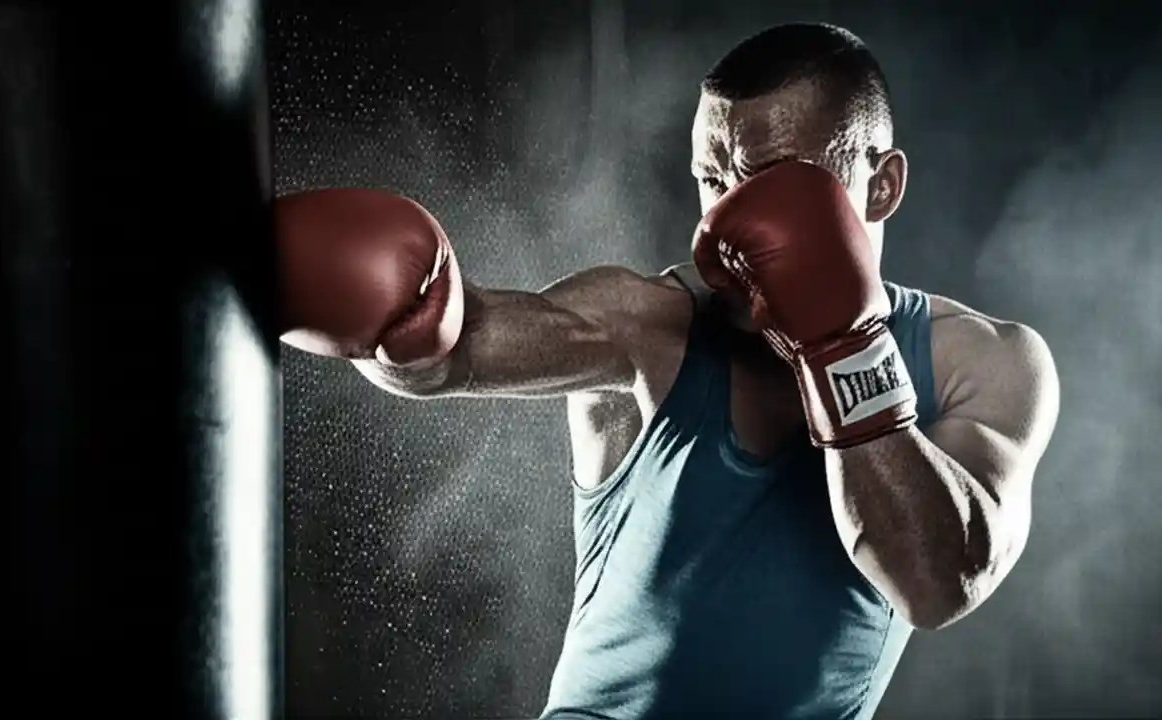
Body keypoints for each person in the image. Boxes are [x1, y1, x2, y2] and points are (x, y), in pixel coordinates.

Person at [276, 22, 1060, 720]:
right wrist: (397, 314)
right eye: (712, 180)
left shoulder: (981, 359)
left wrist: (842, 348)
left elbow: (940, 582)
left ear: (881, 184)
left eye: (770, 181)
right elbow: (448, 352)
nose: (726, 218)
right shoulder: (646, 327)